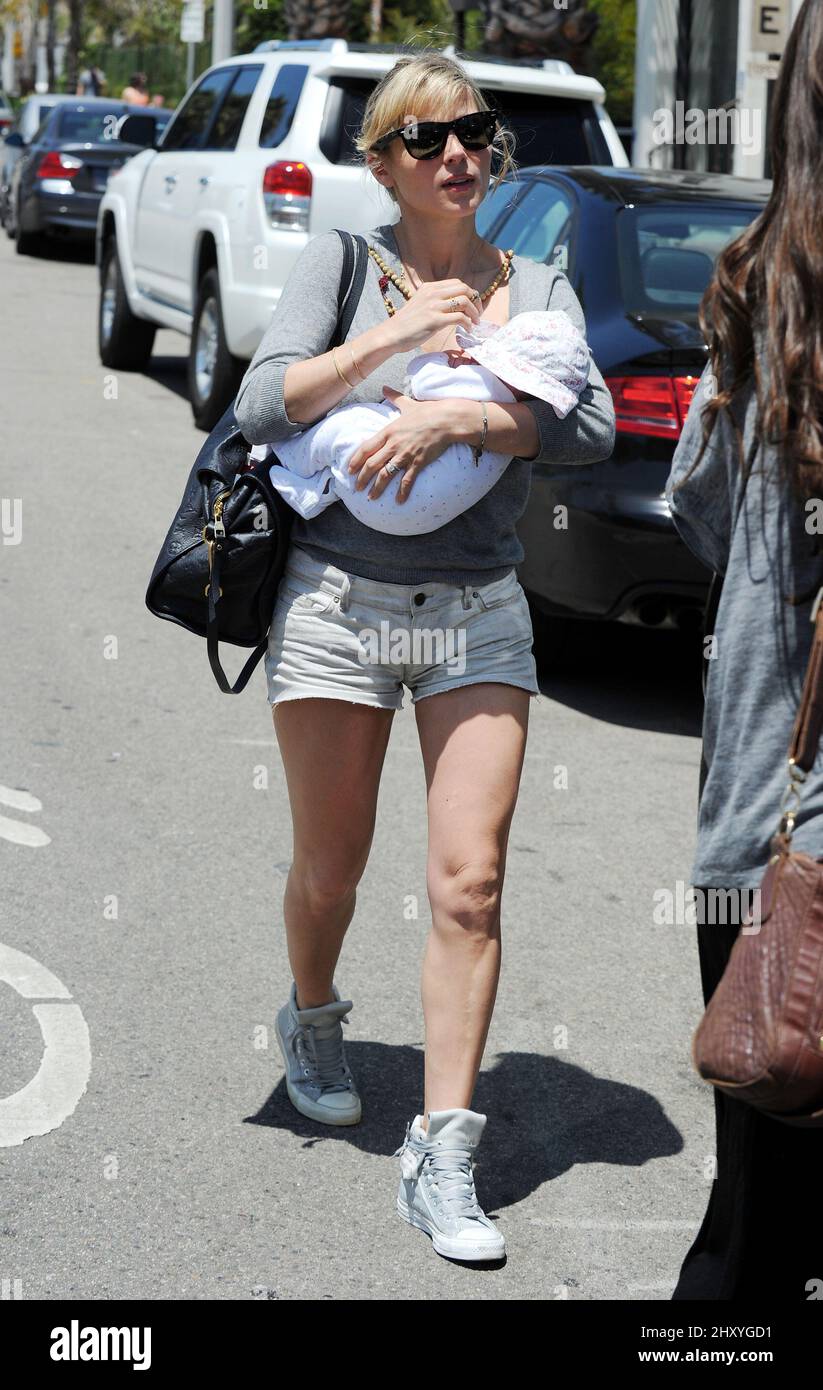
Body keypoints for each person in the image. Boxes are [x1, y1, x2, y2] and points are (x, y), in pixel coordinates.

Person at [234, 50, 615, 1264]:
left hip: (477, 609)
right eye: (426, 139)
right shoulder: (342, 264)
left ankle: (443, 1152)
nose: (457, 155)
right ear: (384, 161)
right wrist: (390, 341)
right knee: (332, 869)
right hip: (338, 603)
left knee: (469, 884)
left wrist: (466, 413)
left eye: (474, 135)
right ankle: (312, 1017)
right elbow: (258, 404)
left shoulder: (538, 283)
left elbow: (592, 427)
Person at [665, 0, 823, 1300]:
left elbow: (699, 520)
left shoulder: (746, 284)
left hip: (745, 833)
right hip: (797, 856)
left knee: (746, 1216)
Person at [248, 307, 591, 533]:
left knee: (345, 424)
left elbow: (422, 380)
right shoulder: (520, 407)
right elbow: (256, 408)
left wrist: (443, 368)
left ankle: (284, 455)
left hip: (388, 488)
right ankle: (316, 490)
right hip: (415, 511)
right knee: (349, 458)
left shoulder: (486, 383)